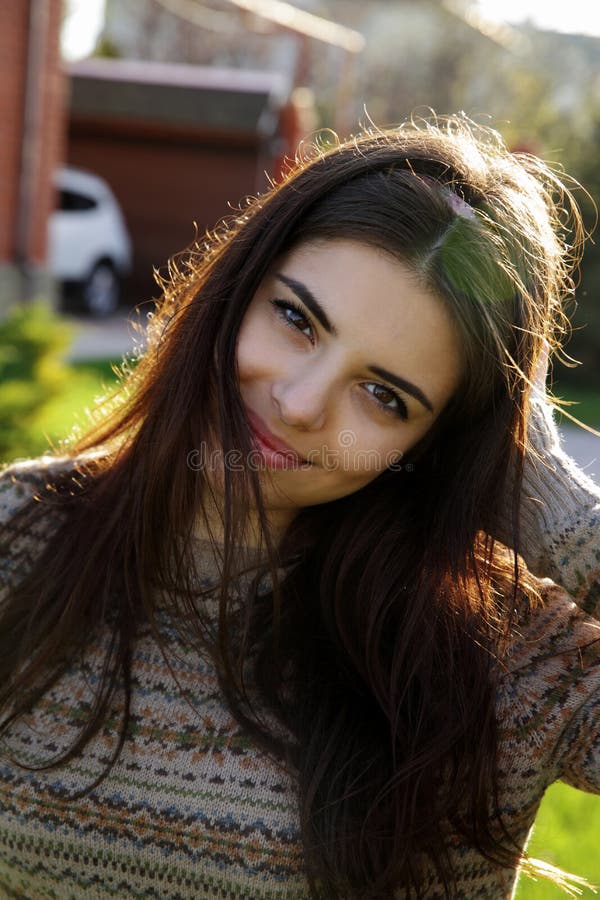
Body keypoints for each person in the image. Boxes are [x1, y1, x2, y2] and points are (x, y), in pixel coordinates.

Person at [0, 115, 599, 900]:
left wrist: (549, 498)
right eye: (296, 319)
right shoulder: (18, 533)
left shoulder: (501, 655)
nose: (300, 403)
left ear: (428, 443)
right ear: (235, 286)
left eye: (384, 396)